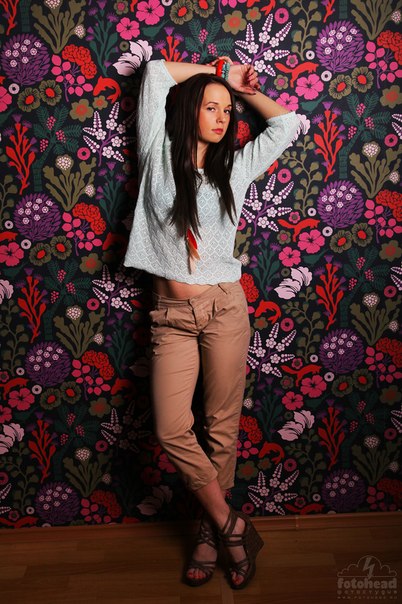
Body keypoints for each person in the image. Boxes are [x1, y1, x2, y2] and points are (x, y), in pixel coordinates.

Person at [123, 56, 300, 589]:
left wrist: (244, 92)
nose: (223, 117)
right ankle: (231, 524)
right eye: (211, 107)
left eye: (228, 110)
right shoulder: (156, 151)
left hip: (224, 309)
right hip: (170, 316)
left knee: (220, 426)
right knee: (171, 428)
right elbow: (156, 74)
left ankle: (207, 532)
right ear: (188, 111)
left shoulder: (234, 168)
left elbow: (287, 125)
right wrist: (222, 71)